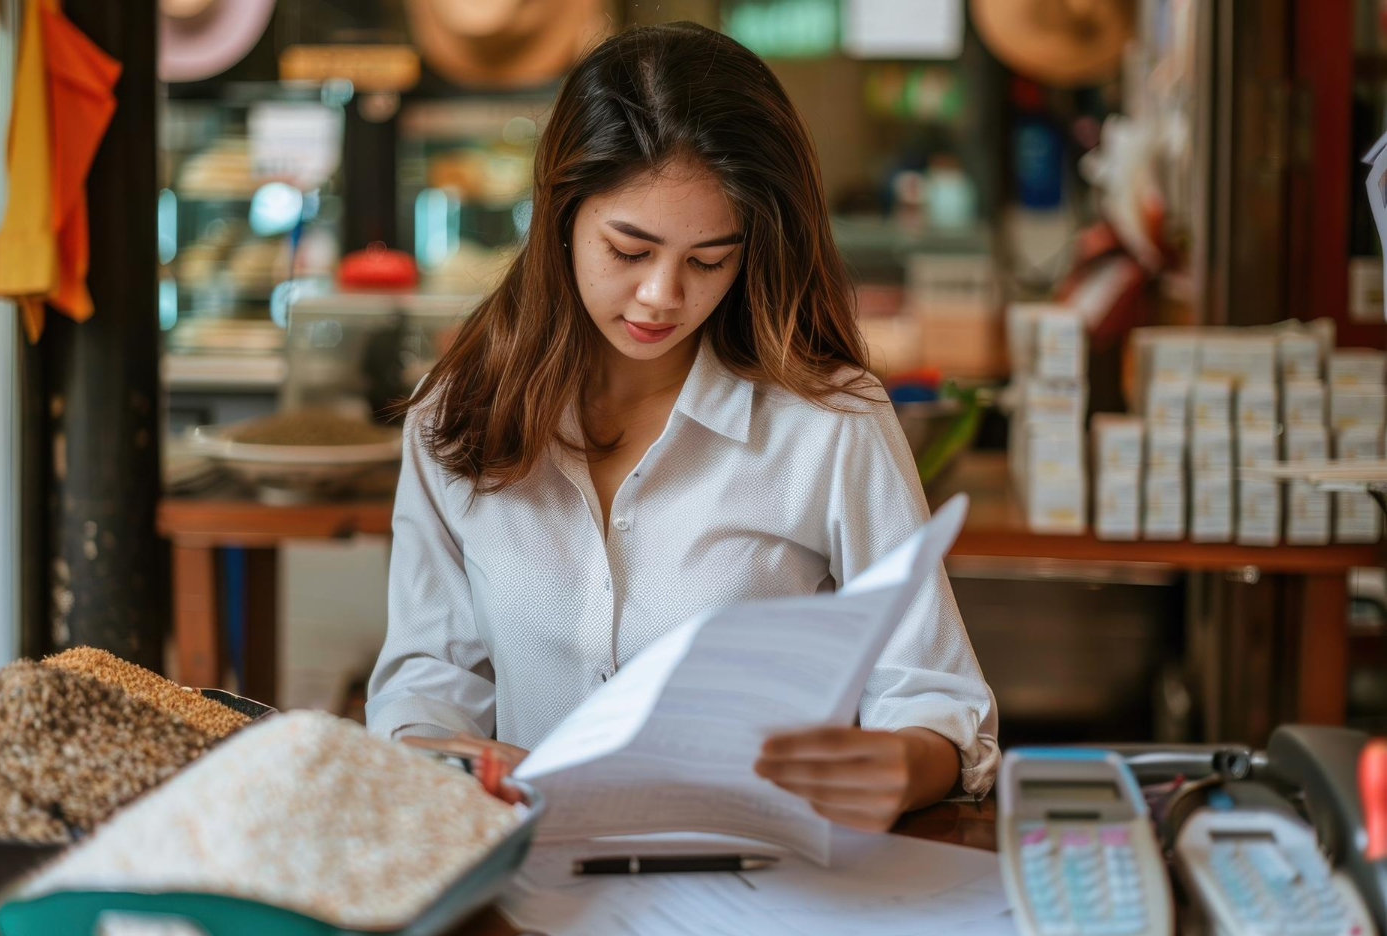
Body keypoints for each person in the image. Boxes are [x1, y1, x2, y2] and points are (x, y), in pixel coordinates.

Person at [366, 21, 998, 832]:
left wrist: (902, 764)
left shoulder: (826, 420)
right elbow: (428, 676)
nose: (664, 296)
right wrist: (456, 761)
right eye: (629, 251)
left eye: (709, 260)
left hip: (765, 885)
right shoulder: (456, 413)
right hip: (534, 889)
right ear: (559, 217)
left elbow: (935, 695)